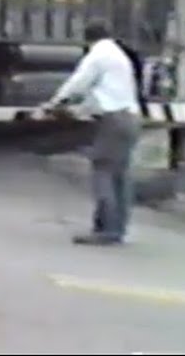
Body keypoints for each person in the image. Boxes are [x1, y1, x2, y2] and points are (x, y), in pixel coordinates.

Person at [44, 22, 144, 246]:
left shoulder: (98, 55)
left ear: (88, 39)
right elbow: (101, 91)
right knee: (120, 176)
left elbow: (78, 83)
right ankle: (118, 229)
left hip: (113, 120)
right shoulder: (118, 54)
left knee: (103, 171)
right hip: (130, 118)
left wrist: (56, 102)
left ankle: (105, 230)